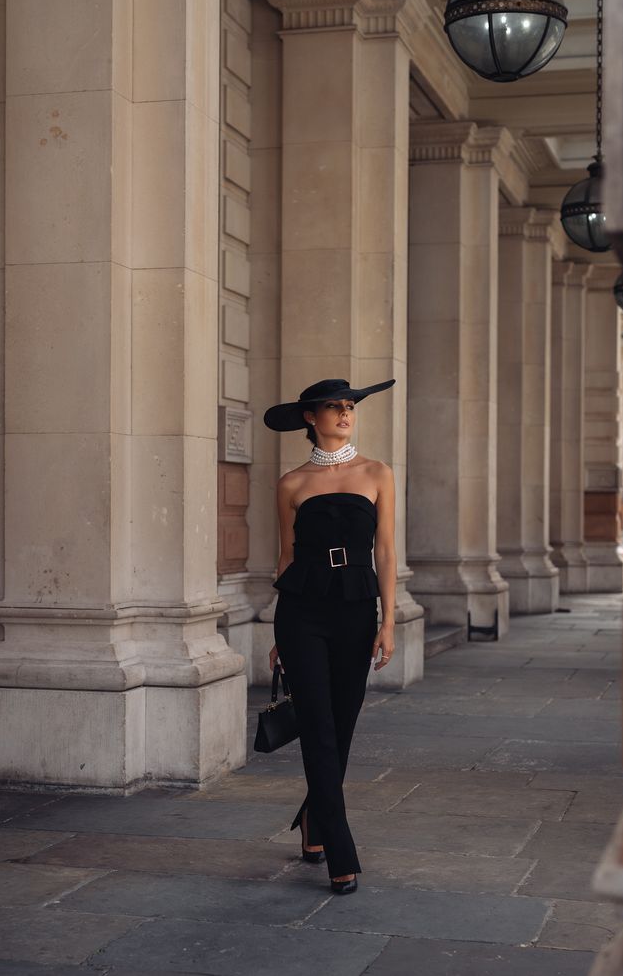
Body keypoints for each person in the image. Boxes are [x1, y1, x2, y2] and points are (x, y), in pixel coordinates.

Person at [263, 377, 397, 895]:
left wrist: (388, 620)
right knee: (318, 725)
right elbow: (286, 557)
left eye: (349, 407)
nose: (345, 414)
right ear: (309, 419)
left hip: (357, 609)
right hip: (302, 613)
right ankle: (340, 852)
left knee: (340, 726)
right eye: (334, 408)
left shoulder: (378, 473)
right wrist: (279, 627)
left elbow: (385, 551)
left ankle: (314, 816)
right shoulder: (291, 484)